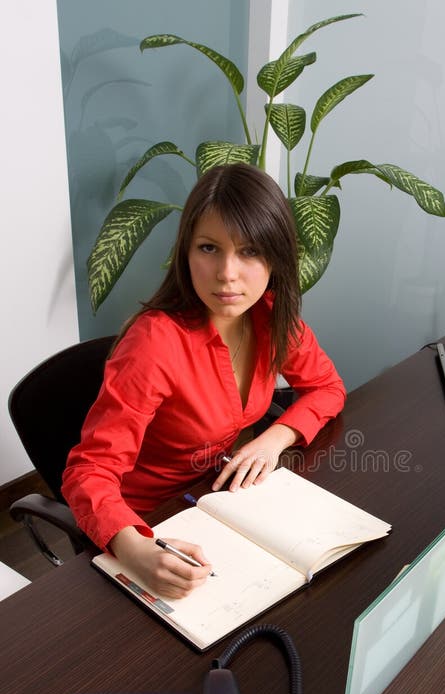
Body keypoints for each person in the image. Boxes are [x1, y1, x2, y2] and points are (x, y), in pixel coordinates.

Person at [62, 163, 346, 599]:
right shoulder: (154, 342)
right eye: (209, 248)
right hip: (148, 522)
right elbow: (89, 472)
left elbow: (327, 387)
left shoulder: (271, 315)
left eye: (250, 251)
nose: (227, 273)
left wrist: (275, 438)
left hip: (213, 498)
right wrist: (134, 549)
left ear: (276, 257)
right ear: (186, 252)